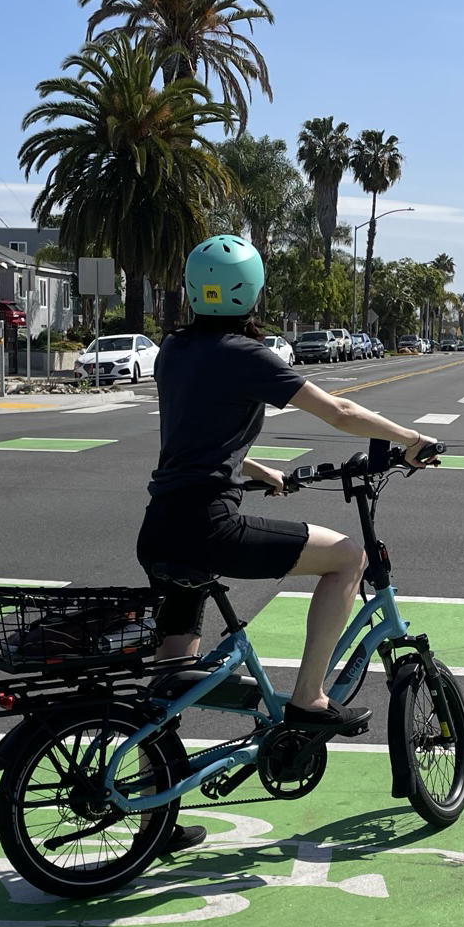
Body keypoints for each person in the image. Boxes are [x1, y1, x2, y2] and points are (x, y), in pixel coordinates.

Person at [136, 234, 434, 744]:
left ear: (190, 290)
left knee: (170, 682)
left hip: (161, 527)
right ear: (252, 293)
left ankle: (151, 817)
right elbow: (339, 412)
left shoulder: (173, 350)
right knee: (348, 558)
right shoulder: (249, 356)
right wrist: (410, 439)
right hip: (211, 527)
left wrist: (256, 470)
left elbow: (191, 440)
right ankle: (310, 699)